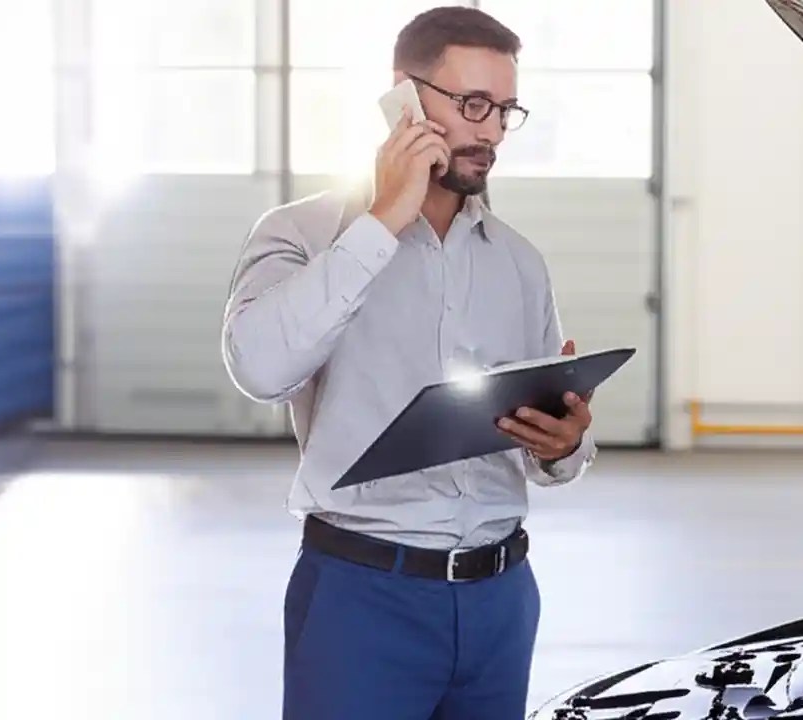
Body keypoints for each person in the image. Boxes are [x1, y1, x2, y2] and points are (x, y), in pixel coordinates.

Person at [220, 6, 597, 719]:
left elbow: (547, 441)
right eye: (473, 103)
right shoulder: (302, 233)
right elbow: (260, 369)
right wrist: (385, 219)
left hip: (500, 600)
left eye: (505, 109)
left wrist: (567, 445)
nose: (489, 130)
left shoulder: (519, 262)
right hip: (363, 598)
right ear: (404, 99)